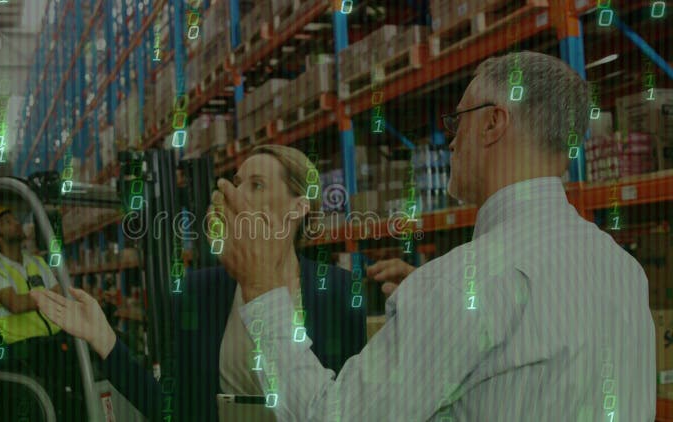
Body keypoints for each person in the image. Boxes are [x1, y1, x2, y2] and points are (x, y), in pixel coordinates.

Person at [211, 51, 655, 420]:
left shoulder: (460, 285)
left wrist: (263, 290)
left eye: (457, 119)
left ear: (493, 124)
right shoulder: (622, 269)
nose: (451, 140)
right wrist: (433, 313)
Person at [32, 144, 367, 421]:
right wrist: (105, 340)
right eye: (237, 183)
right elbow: (174, 410)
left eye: (257, 185)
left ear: (298, 207)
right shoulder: (199, 292)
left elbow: (359, 408)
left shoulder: (340, 291)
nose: (236, 194)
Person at [0, 205, 80, 419]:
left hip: (53, 348)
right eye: (7, 222)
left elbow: (60, 296)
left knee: (74, 401)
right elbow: (15, 304)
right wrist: (46, 296)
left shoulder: (37, 263)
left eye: (15, 219)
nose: (16, 224)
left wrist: (41, 297)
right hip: (21, 355)